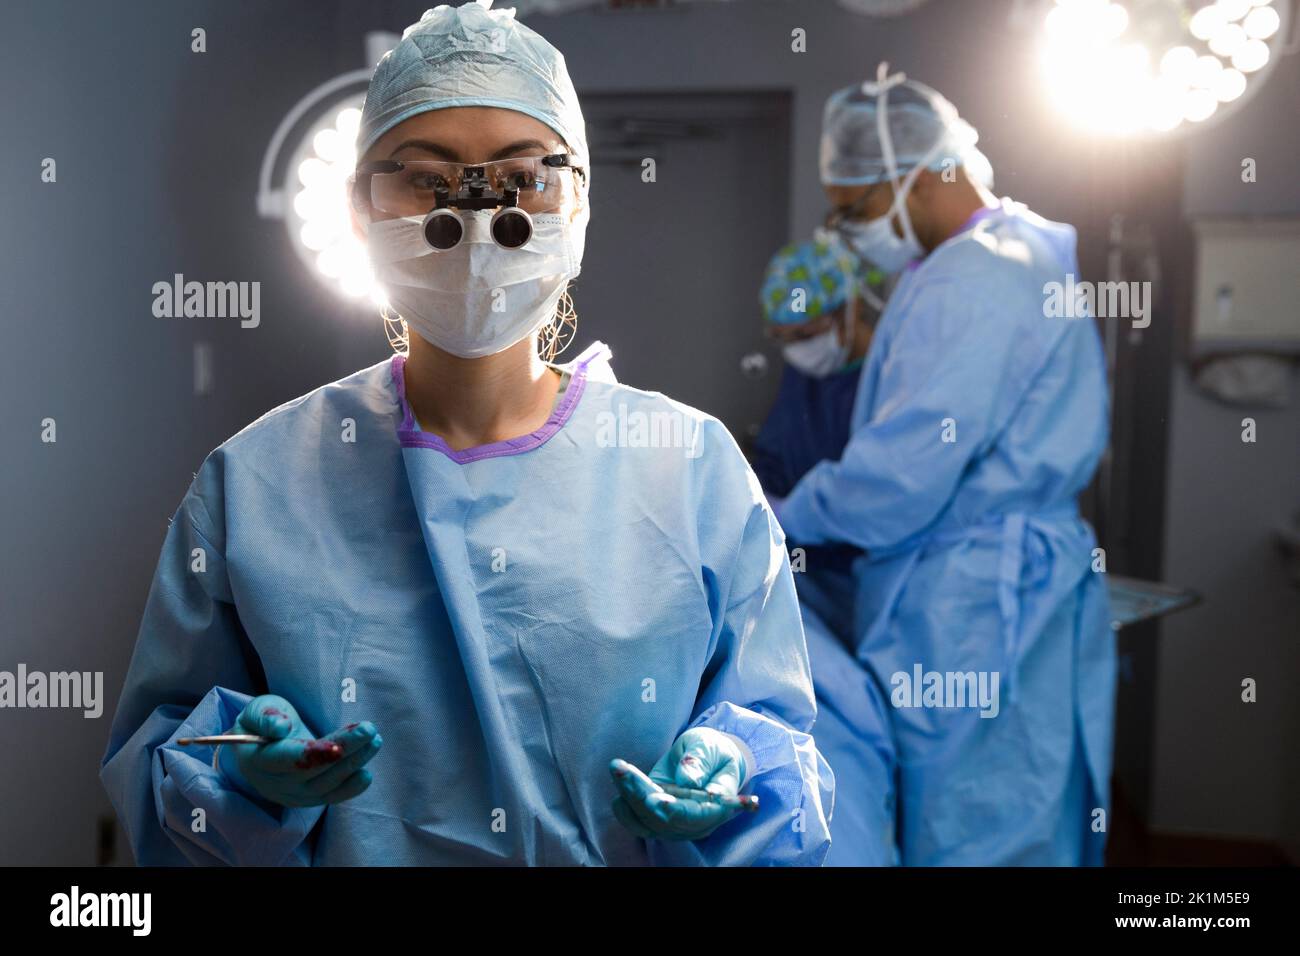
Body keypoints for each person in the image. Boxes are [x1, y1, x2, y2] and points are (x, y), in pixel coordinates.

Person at [100, 1, 832, 867]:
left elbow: (780, 749)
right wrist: (244, 786)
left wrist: (733, 766)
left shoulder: (689, 467)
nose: (478, 218)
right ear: (361, 209)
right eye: (424, 175)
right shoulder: (255, 484)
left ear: (577, 205)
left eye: (523, 177)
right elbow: (165, 781)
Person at [771, 64, 1115, 866]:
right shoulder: (1004, 253)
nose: (850, 229)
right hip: (992, 588)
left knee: (977, 831)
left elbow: (895, 484)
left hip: (974, 605)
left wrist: (772, 513)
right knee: (1013, 813)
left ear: (919, 176)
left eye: (856, 207)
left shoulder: (975, 278)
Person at [753, 235, 898, 866]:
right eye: (784, 338)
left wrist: (805, 513)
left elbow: (887, 494)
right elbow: (777, 459)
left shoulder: (896, 378)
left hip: (875, 580)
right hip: (804, 582)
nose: (798, 350)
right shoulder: (806, 379)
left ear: (850, 309)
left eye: (808, 331)